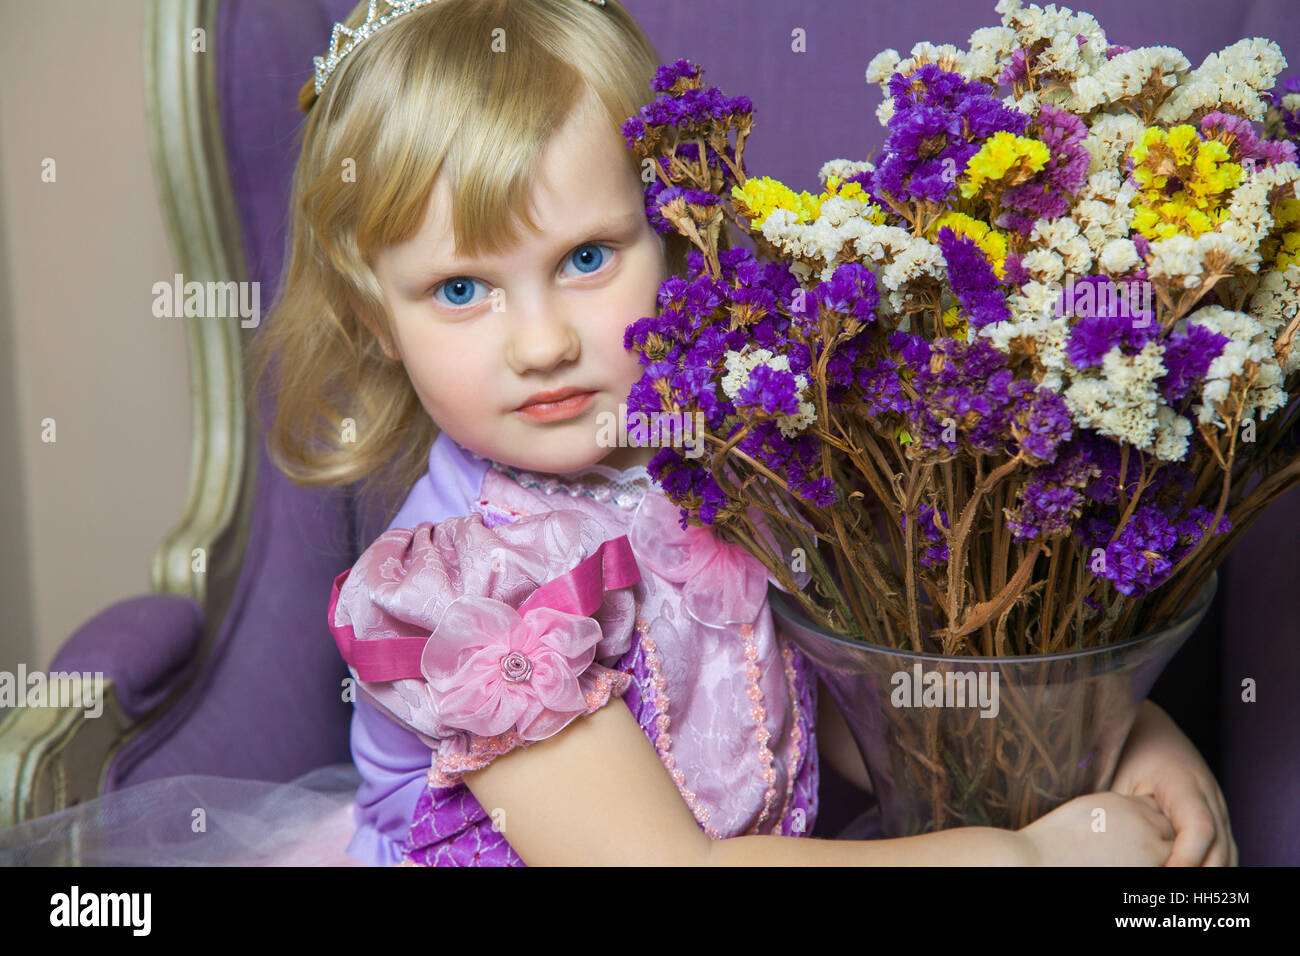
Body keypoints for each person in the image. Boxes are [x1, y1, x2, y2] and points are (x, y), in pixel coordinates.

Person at [0, 0, 1235, 867]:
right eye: (461, 290)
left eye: (587, 257)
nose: (539, 340)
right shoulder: (459, 592)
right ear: (376, 316)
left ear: (677, 231)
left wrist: (1116, 735)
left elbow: (866, 702)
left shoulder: (745, 459)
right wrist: (1014, 856)